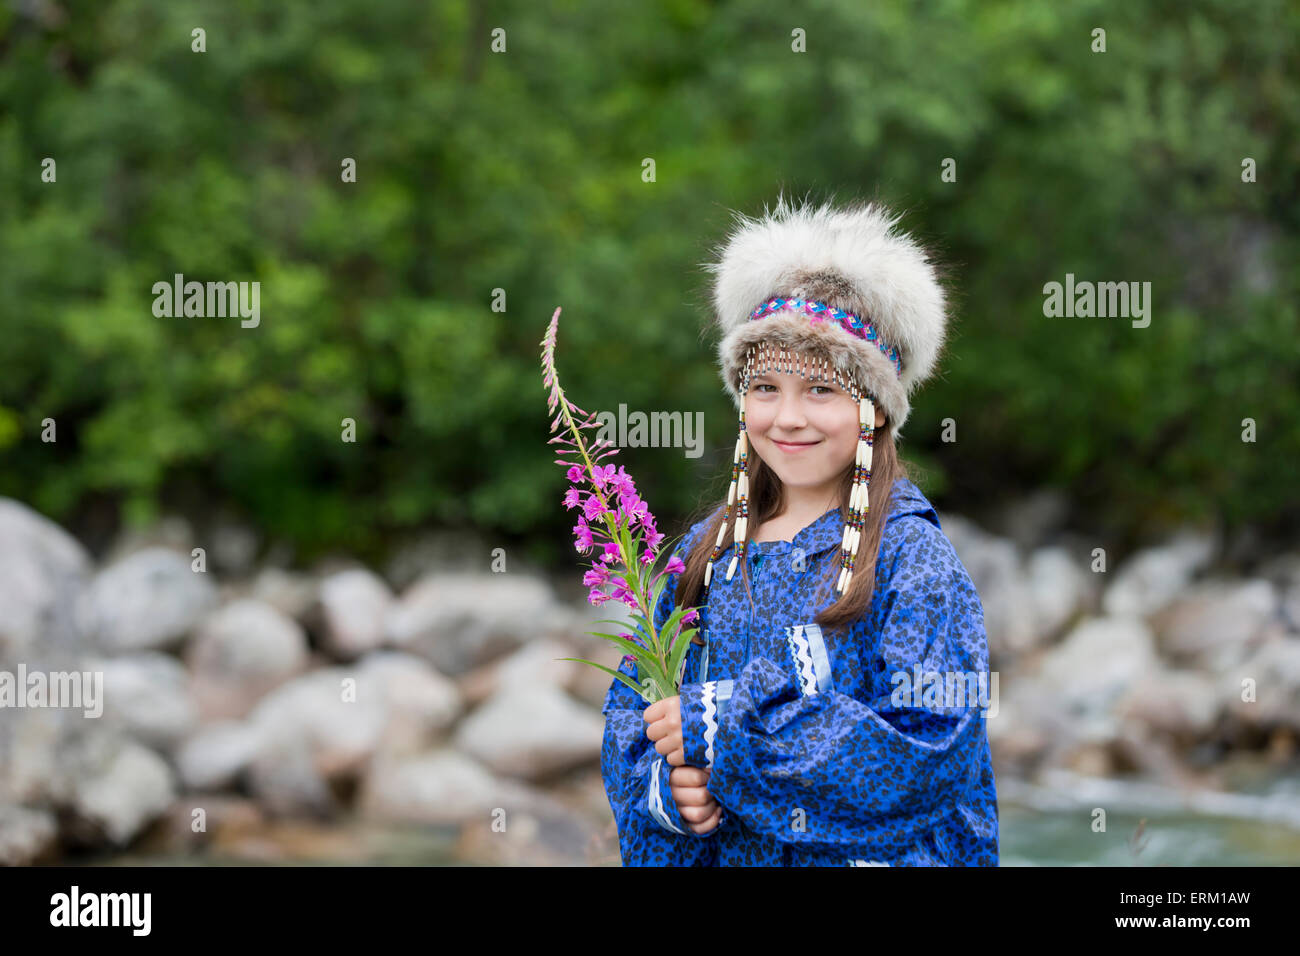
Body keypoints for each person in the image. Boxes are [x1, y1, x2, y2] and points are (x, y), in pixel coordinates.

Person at [600, 191, 998, 866]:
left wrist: (729, 730)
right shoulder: (707, 556)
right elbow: (630, 714)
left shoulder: (911, 560)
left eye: (820, 390)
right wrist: (671, 792)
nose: (787, 418)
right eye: (764, 388)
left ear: (874, 409)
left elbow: (932, 753)